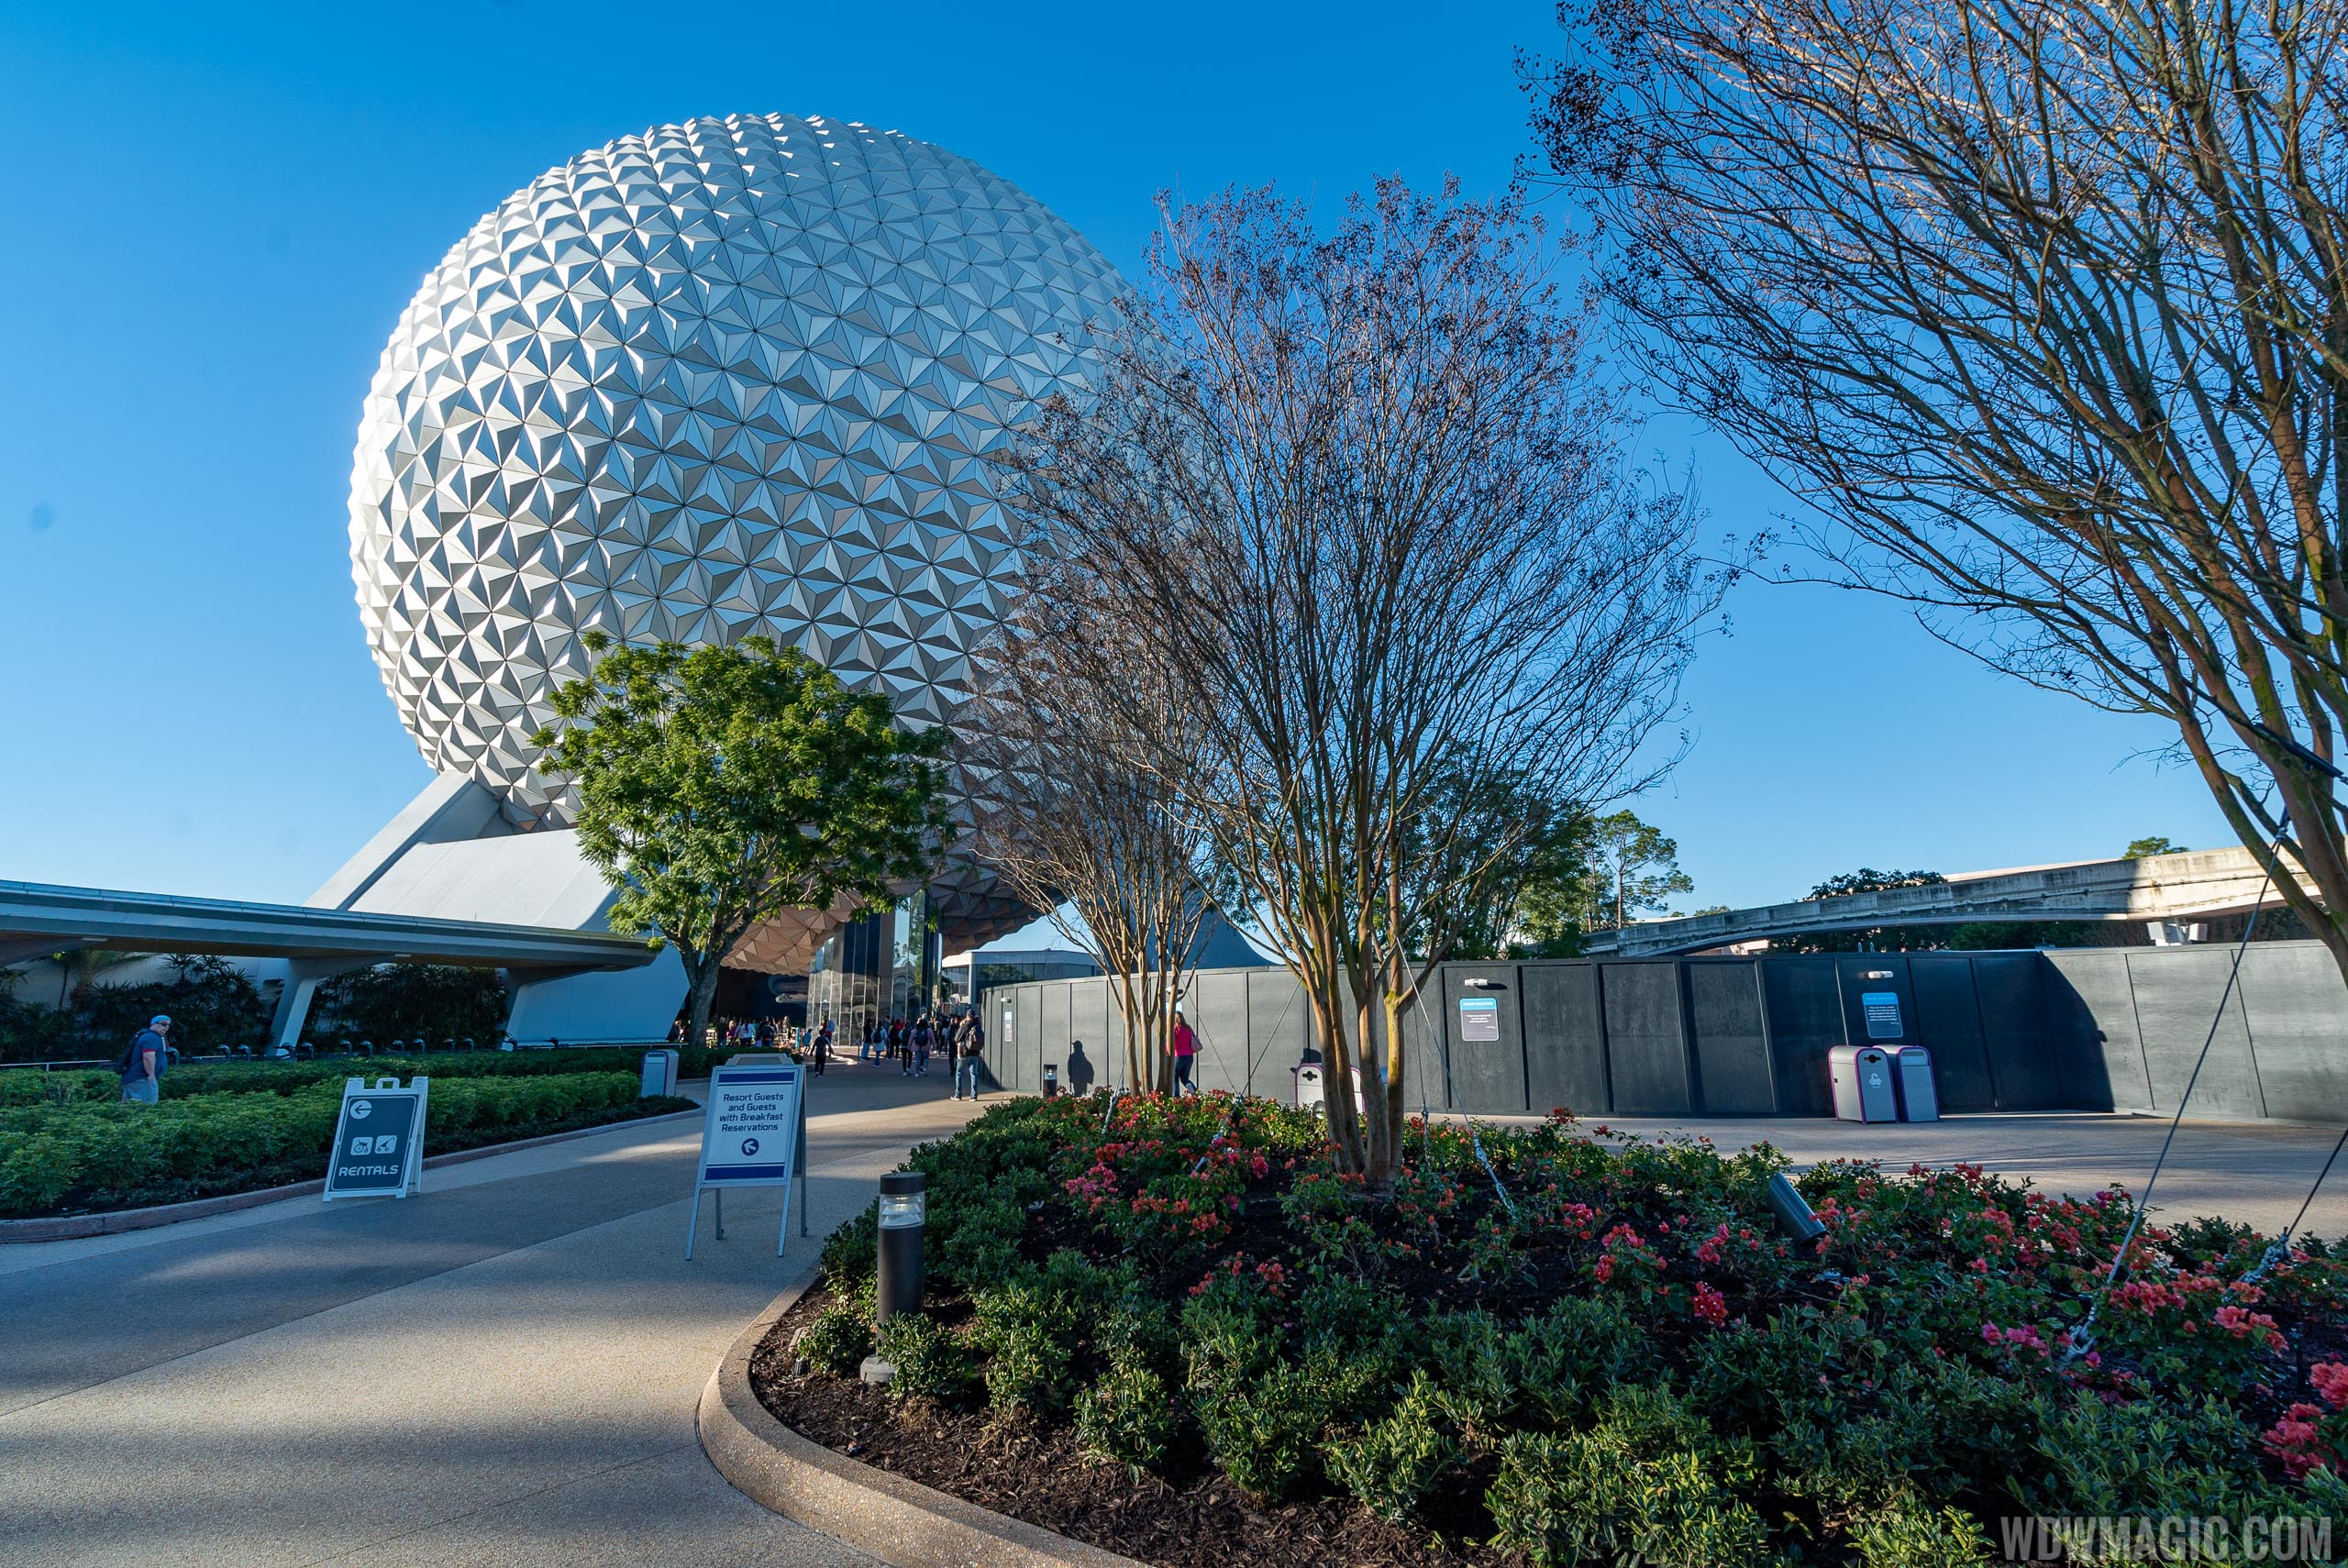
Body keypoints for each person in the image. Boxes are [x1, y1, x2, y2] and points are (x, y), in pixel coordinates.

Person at [119, 1014, 171, 1104]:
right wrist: (151, 1075)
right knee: (147, 1106)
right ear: (153, 1024)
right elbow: (148, 1056)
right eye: (163, 1024)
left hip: (133, 1078)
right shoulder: (152, 1037)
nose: (166, 1027)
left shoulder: (146, 1036)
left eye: (168, 1025)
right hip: (142, 1079)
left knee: (128, 1109)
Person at [1171, 1010, 1199, 1096]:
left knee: (1174, 1078)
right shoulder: (1188, 1028)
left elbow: (1170, 1043)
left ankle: (1176, 1098)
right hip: (1189, 1056)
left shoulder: (1175, 1029)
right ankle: (1194, 1092)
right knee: (1185, 1078)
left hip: (1178, 1056)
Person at [911, 1014, 934, 1078]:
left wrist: (909, 1046)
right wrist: (934, 1046)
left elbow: (911, 1038)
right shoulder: (929, 1030)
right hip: (926, 1046)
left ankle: (917, 1073)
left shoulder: (916, 1029)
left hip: (917, 1046)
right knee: (926, 1058)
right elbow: (932, 1038)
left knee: (918, 1060)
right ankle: (925, 1068)